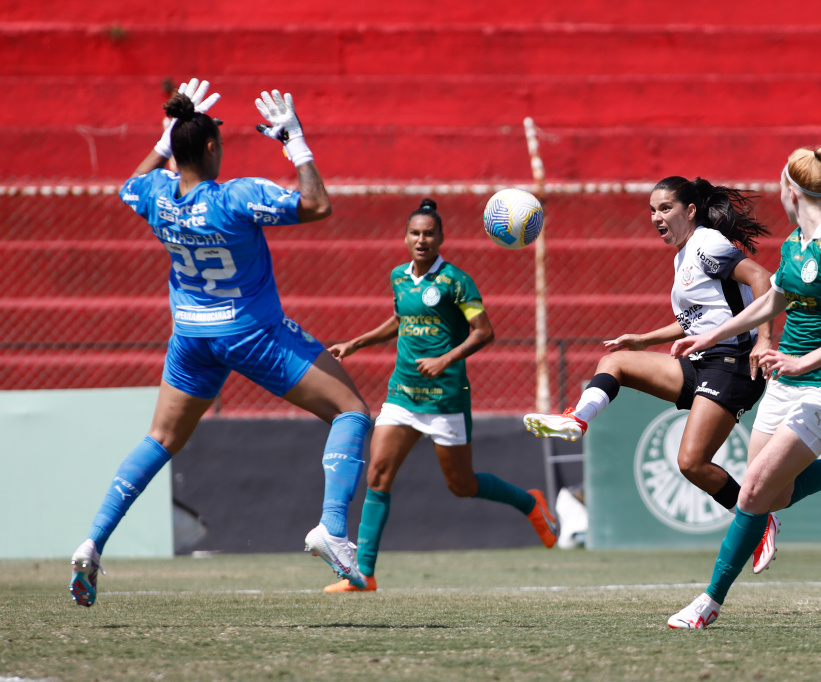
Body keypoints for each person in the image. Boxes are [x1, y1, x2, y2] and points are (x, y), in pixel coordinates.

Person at [69, 79, 372, 607]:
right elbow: (317, 205)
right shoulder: (237, 197)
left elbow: (129, 184)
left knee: (160, 439)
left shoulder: (157, 195)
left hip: (190, 335)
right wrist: (293, 139)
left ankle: (93, 541)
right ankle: (331, 527)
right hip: (250, 332)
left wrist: (166, 140)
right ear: (211, 147)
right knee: (351, 411)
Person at [667, 146, 821, 629]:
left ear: (791, 190)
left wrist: (799, 361)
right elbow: (774, 300)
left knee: (751, 495)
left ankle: (708, 603)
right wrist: (712, 334)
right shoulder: (795, 244)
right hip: (787, 382)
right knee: (771, 494)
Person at [524, 176, 783, 571]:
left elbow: (763, 279)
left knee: (692, 463)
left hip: (734, 367)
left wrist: (764, 341)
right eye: (652, 210)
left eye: (665, 209)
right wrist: (645, 339)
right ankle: (576, 420)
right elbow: (700, 317)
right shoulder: (684, 256)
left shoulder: (707, 245)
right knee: (617, 362)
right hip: (701, 362)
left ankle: (760, 521)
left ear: (690, 211)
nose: (656, 217)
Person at [321, 197, 559, 592]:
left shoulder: (455, 281)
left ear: (440, 238)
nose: (421, 239)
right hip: (402, 393)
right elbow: (400, 320)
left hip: (445, 397)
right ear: (405, 237)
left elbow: (484, 331)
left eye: (428, 233)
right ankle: (363, 574)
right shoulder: (399, 276)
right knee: (378, 475)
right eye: (415, 233)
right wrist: (355, 343)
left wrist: (446, 358)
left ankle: (530, 503)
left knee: (461, 485)